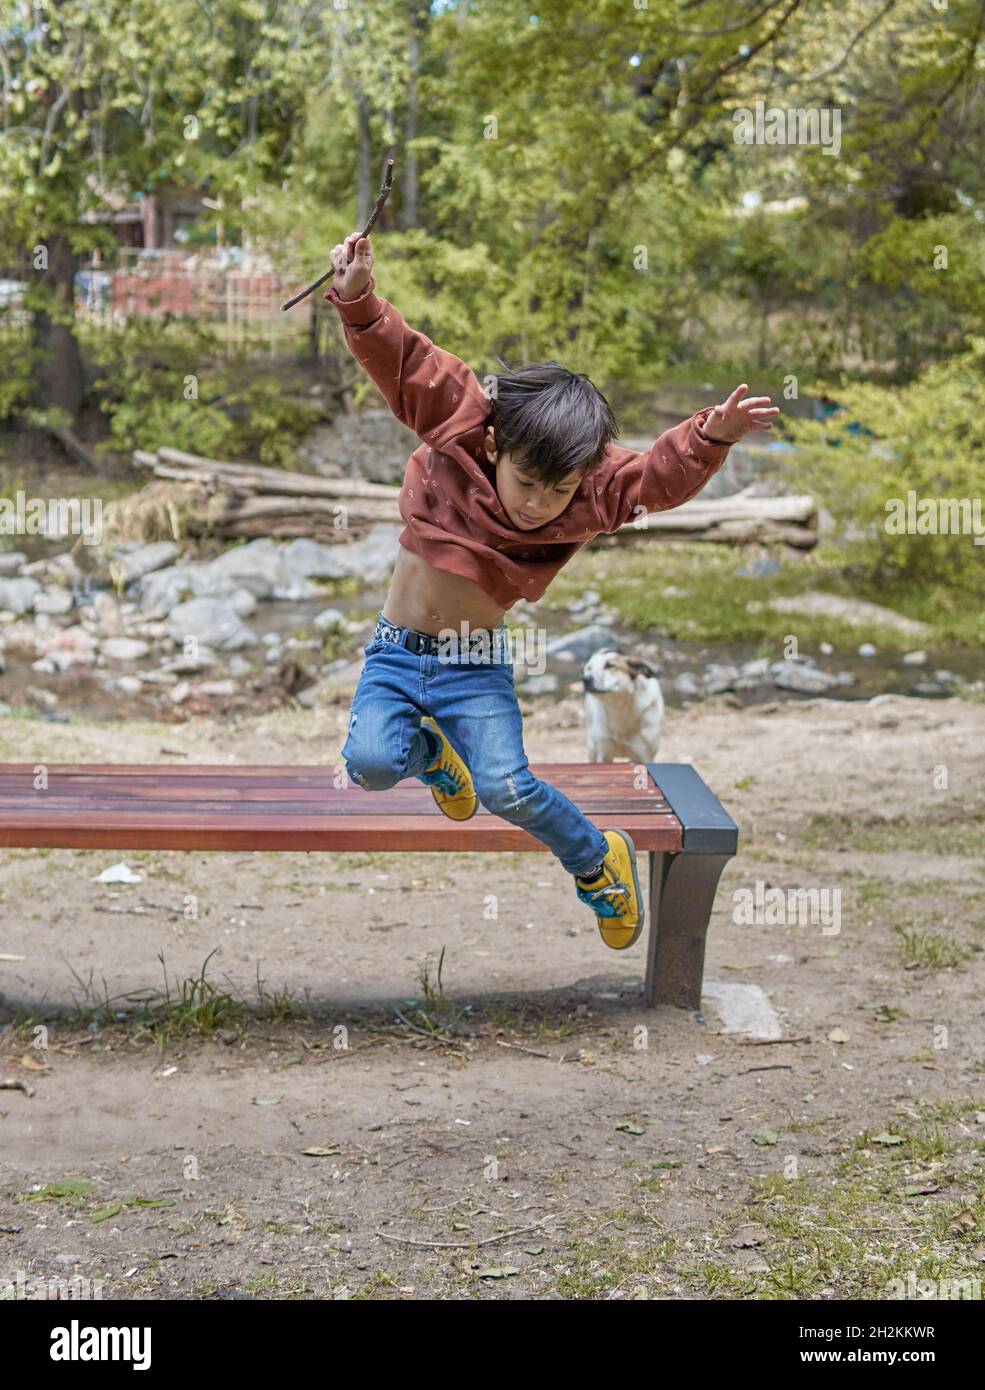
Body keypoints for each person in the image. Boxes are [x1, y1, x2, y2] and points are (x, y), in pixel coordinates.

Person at [325, 232, 778, 950]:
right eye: (527, 484)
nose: (540, 504)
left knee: (505, 787)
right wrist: (355, 297)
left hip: (475, 662)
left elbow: (655, 477)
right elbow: (406, 362)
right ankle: (433, 756)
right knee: (372, 763)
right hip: (395, 650)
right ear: (496, 447)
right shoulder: (463, 427)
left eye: (559, 489)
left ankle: (598, 861)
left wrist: (708, 437)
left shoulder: (589, 492)